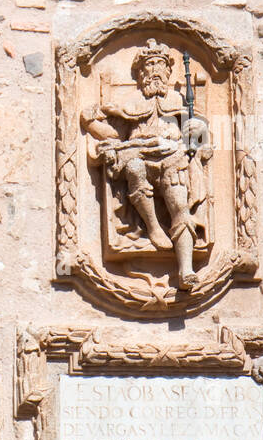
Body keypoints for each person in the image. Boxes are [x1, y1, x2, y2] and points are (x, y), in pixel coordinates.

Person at [80, 39, 211, 289]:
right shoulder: (130, 103)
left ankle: (185, 269)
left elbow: (200, 142)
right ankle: (153, 227)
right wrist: (91, 124)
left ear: (167, 72)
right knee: (134, 169)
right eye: (149, 65)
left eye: (160, 65)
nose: (154, 70)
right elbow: (114, 136)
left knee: (180, 205)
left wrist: (198, 128)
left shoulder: (178, 101)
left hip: (173, 158)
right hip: (137, 154)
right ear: (141, 73)